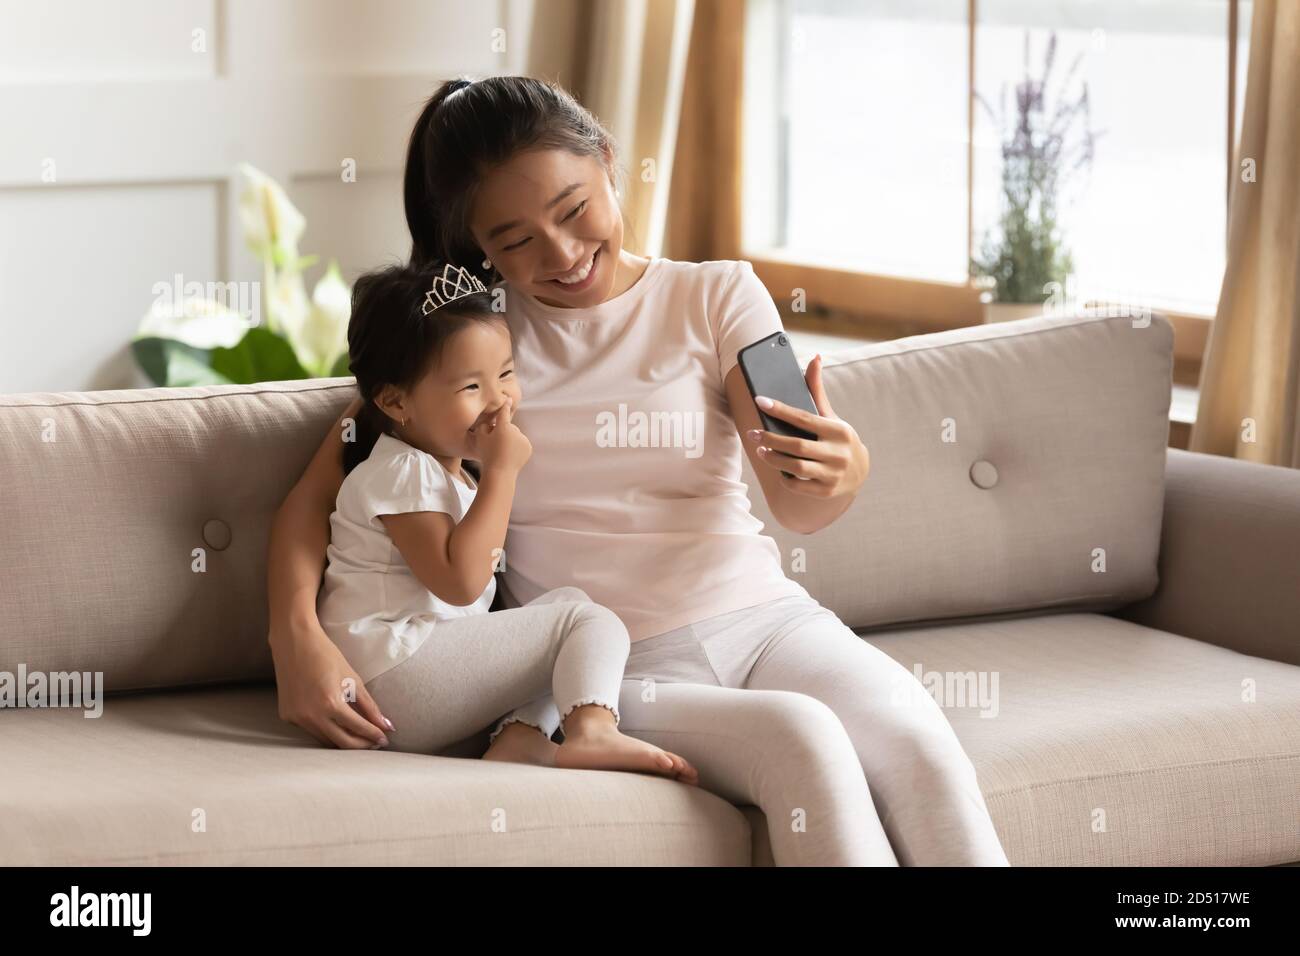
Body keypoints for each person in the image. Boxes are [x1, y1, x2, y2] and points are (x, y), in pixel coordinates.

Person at [267, 75, 1010, 866]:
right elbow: (311, 503)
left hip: (769, 622)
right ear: (477, 246)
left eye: (574, 208)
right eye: (515, 241)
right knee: (806, 740)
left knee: (922, 745)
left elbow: (799, 505)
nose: (562, 253)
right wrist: (297, 640)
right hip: (607, 669)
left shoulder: (723, 295)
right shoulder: (465, 347)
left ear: (610, 164)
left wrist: (843, 469)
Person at [315, 259, 696, 780]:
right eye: (470, 388)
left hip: (414, 679)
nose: (498, 400)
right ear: (395, 401)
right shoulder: (401, 472)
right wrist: (502, 472)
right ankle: (592, 730)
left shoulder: (446, 475)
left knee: (566, 605)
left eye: (506, 374)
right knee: (585, 621)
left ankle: (520, 738)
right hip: (391, 679)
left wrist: (488, 474)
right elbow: (460, 581)